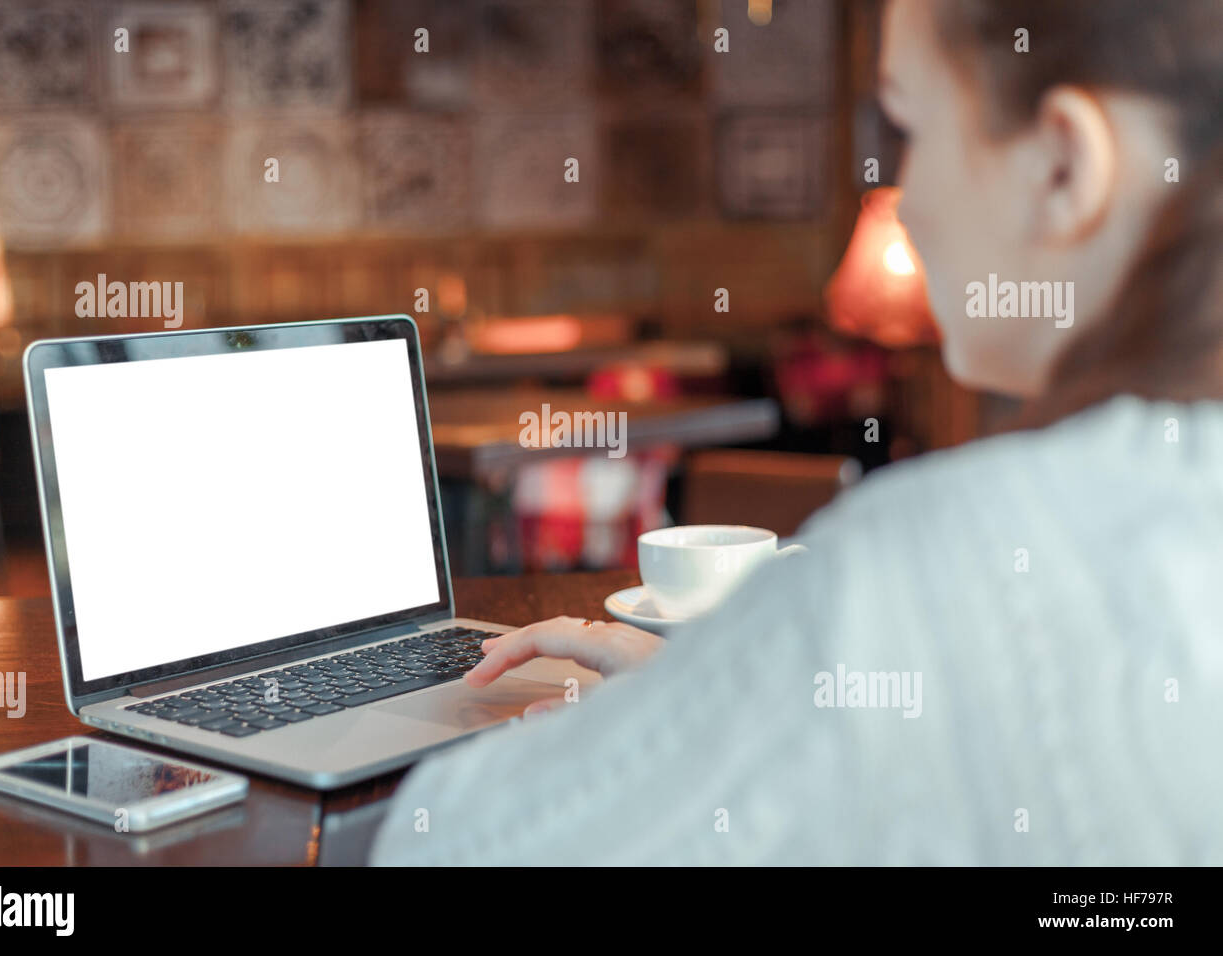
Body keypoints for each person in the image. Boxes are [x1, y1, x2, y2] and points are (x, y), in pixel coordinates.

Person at [370, 0, 1223, 865]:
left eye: (912, 128)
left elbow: (444, 849)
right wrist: (727, 702)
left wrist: (697, 725)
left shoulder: (932, 563)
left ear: (1063, 166)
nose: (906, 205)